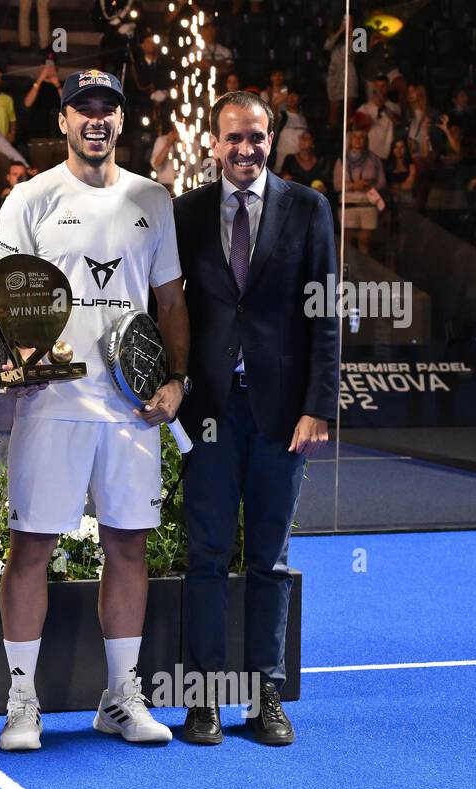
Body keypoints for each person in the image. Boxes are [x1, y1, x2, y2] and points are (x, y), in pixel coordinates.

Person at [0, 69, 186, 751]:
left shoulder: (153, 198)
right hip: (52, 403)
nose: (95, 119)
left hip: (132, 410)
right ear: (65, 119)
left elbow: (172, 301)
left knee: (128, 546)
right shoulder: (29, 198)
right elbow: (6, 300)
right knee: (31, 549)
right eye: (83, 108)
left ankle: (120, 699)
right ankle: (21, 703)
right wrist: (17, 359)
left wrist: (177, 379)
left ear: (121, 121)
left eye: (108, 109)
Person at [172, 90, 337, 747]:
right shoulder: (185, 212)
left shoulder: (309, 208)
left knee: (269, 559)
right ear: (213, 144)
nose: (246, 148)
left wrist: (318, 406)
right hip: (207, 411)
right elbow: (168, 309)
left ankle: (267, 694)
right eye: (234, 137)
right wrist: (167, 386)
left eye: (258, 137)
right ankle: (205, 698)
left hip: (281, 416)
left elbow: (324, 314)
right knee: (207, 555)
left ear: (273, 140)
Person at [334, 126, 385, 255]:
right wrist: (353, 186)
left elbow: (382, 182)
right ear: (350, 140)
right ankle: (347, 272)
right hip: (348, 203)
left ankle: (364, 271)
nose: (358, 140)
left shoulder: (374, 159)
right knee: (347, 243)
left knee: (365, 241)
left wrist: (368, 186)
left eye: (362, 137)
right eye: (355, 137)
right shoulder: (342, 159)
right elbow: (337, 185)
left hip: (368, 203)